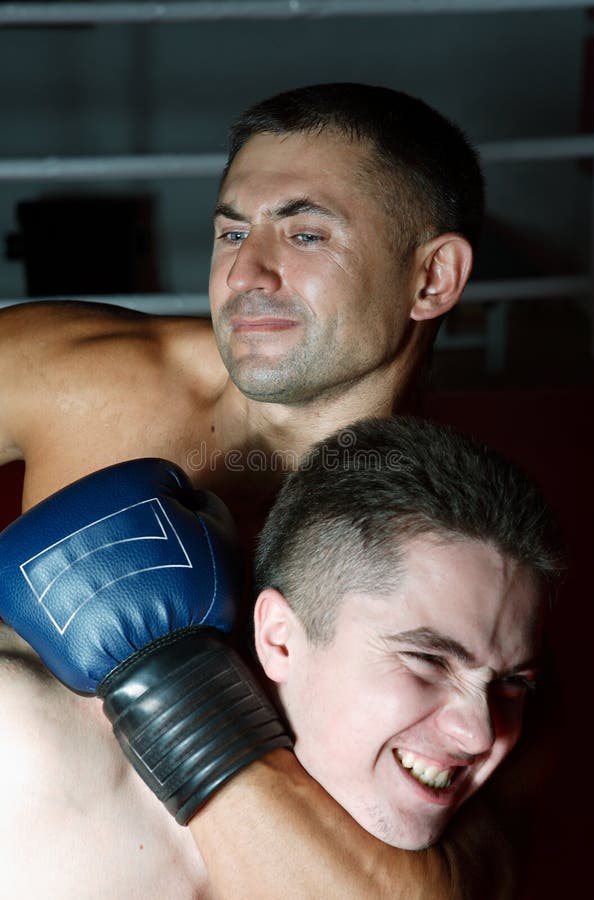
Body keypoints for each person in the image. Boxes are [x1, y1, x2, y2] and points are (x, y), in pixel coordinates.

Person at [0, 82, 492, 898]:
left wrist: (178, 700)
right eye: (232, 231)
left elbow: (443, 887)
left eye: (305, 233)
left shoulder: (467, 570)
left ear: (432, 277)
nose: (246, 272)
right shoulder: (82, 379)